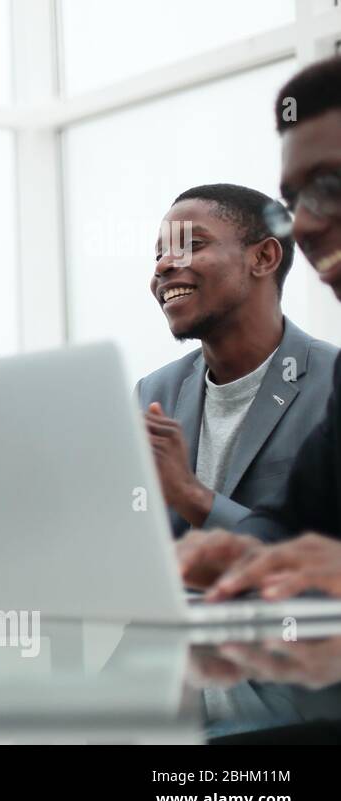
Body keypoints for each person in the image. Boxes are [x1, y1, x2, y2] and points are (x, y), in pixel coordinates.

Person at [177, 56, 341, 601]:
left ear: (264, 259)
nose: (307, 225)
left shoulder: (322, 376)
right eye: (293, 203)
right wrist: (240, 554)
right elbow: (290, 521)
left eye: (330, 185)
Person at [137, 183, 335, 537]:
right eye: (159, 255)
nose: (165, 265)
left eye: (191, 245)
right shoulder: (154, 392)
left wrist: (191, 494)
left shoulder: (331, 383)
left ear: (263, 258)